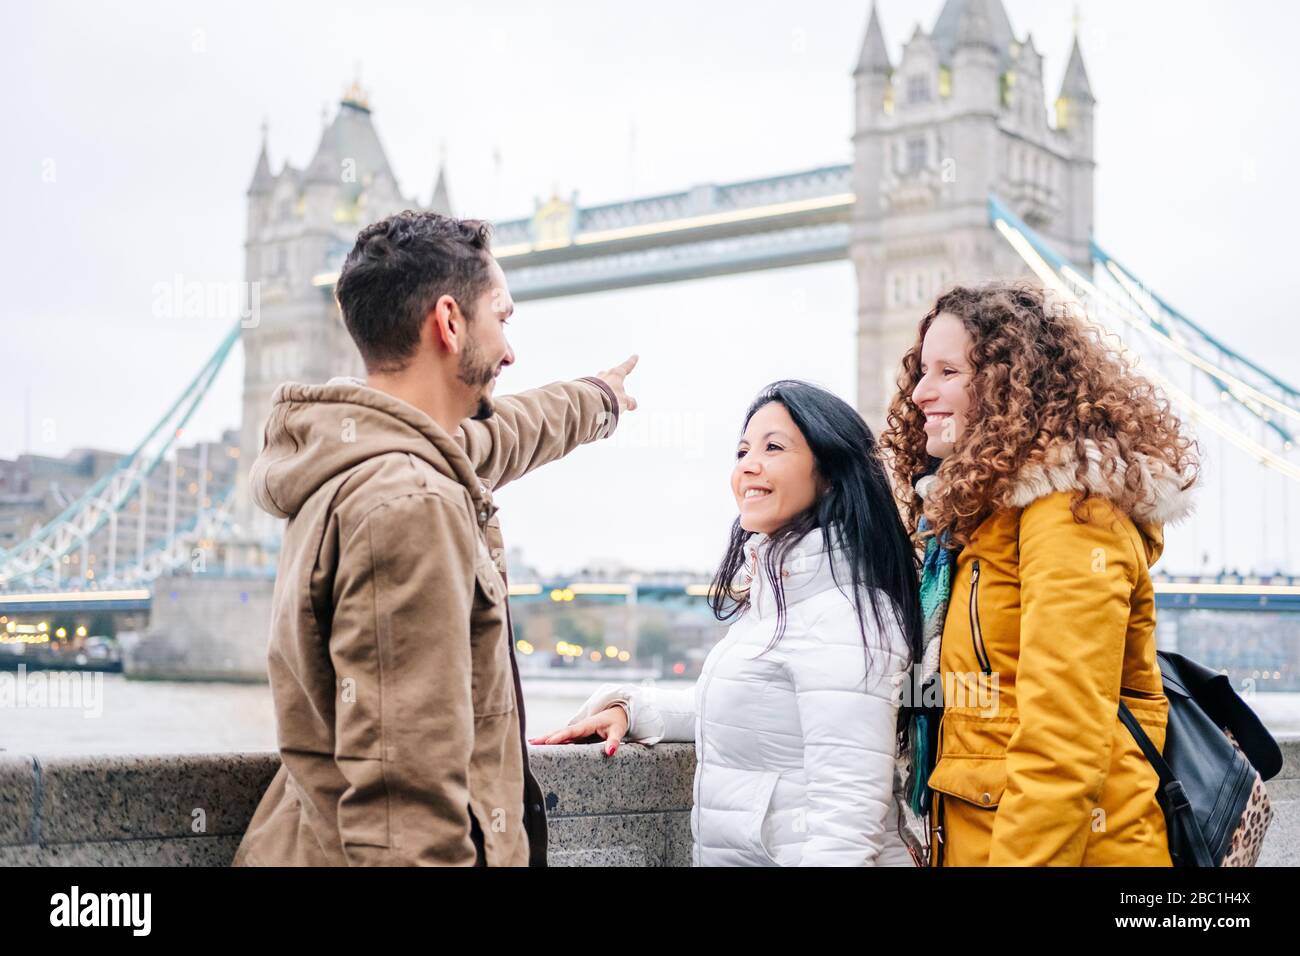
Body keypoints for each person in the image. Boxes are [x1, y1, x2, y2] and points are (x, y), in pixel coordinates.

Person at [232, 210, 637, 866]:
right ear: (450, 322)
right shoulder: (409, 502)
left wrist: (597, 399)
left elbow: (503, 435)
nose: (511, 351)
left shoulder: (354, 455)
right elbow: (406, 811)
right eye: (502, 318)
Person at [532, 380, 923, 866]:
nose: (747, 465)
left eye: (773, 447)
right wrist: (632, 712)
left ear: (830, 474)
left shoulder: (844, 614)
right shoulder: (779, 602)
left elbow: (845, 828)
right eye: (742, 451)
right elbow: (744, 714)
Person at [879, 281, 1200, 866]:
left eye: (947, 371)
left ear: (1011, 385)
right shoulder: (977, 528)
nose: (921, 392)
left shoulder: (1071, 516)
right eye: (923, 371)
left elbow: (1064, 740)